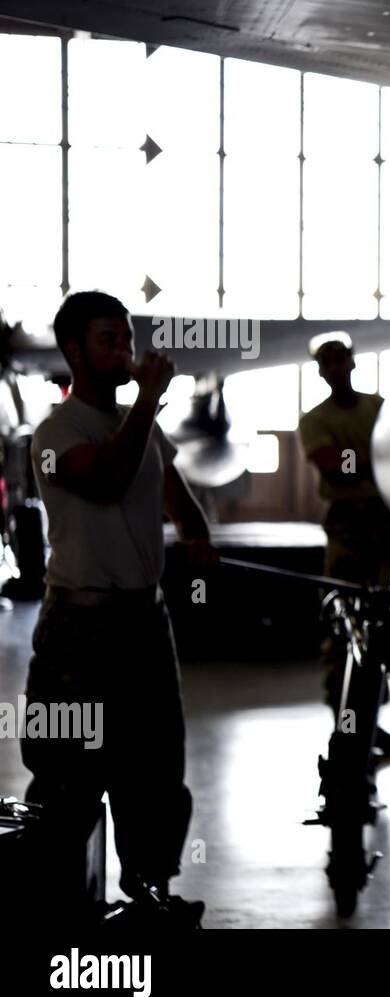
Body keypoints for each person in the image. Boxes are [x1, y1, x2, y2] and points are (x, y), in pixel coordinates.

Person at [24, 290, 215, 926]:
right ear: (74, 351)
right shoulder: (58, 432)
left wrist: (195, 536)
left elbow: (176, 495)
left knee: (157, 774)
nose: (125, 352)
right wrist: (149, 403)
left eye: (127, 339)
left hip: (144, 622)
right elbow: (105, 480)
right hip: (79, 630)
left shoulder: (143, 428)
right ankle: (53, 911)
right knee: (68, 778)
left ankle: (148, 894)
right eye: (109, 339)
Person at [297, 332, 390, 751]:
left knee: (383, 628)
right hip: (348, 528)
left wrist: (360, 460)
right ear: (321, 370)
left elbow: (384, 454)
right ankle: (347, 726)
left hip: (385, 522)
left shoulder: (378, 408)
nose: (336, 369)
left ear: (353, 363)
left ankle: (368, 723)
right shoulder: (315, 420)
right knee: (345, 627)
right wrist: (374, 459)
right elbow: (336, 467)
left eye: (341, 360)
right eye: (328, 362)